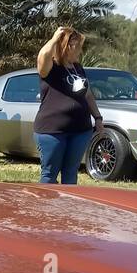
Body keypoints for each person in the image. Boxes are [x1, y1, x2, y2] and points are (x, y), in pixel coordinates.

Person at [33, 26, 103, 185]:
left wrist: (97, 117)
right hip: (52, 131)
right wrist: (54, 38)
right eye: (78, 46)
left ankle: (66, 208)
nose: (80, 51)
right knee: (49, 174)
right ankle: (45, 208)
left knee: (71, 173)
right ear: (66, 46)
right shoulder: (50, 67)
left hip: (80, 130)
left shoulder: (78, 68)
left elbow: (87, 94)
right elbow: (42, 56)